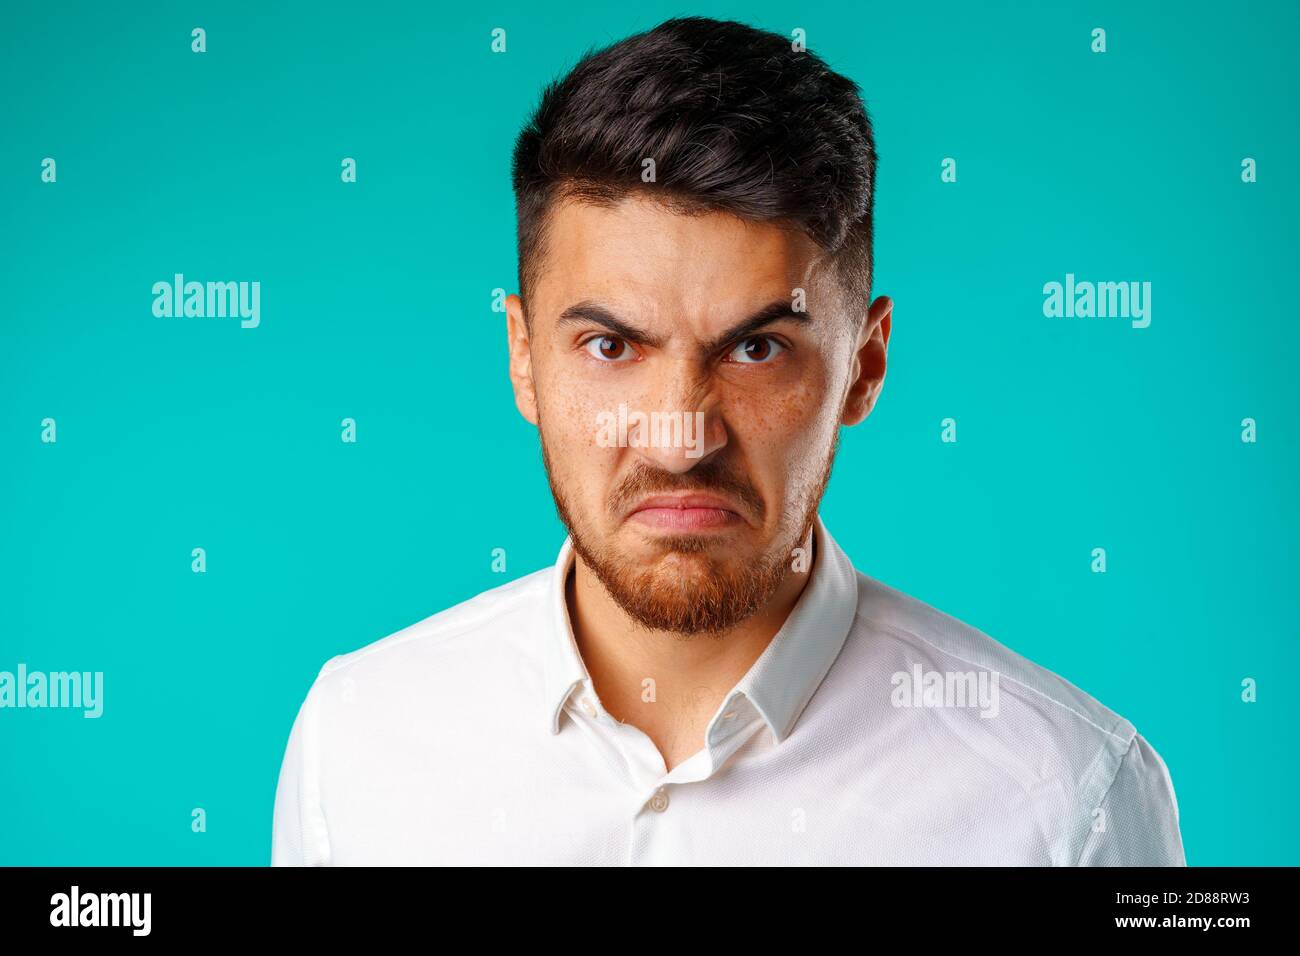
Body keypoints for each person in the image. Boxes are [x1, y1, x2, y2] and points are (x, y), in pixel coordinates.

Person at [272, 15, 1184, 865]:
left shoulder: (1070, 801)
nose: (679, 441)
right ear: (523, 359)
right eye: (611, 346)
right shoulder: (356, 745)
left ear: (864, 366)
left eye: (756, 349)